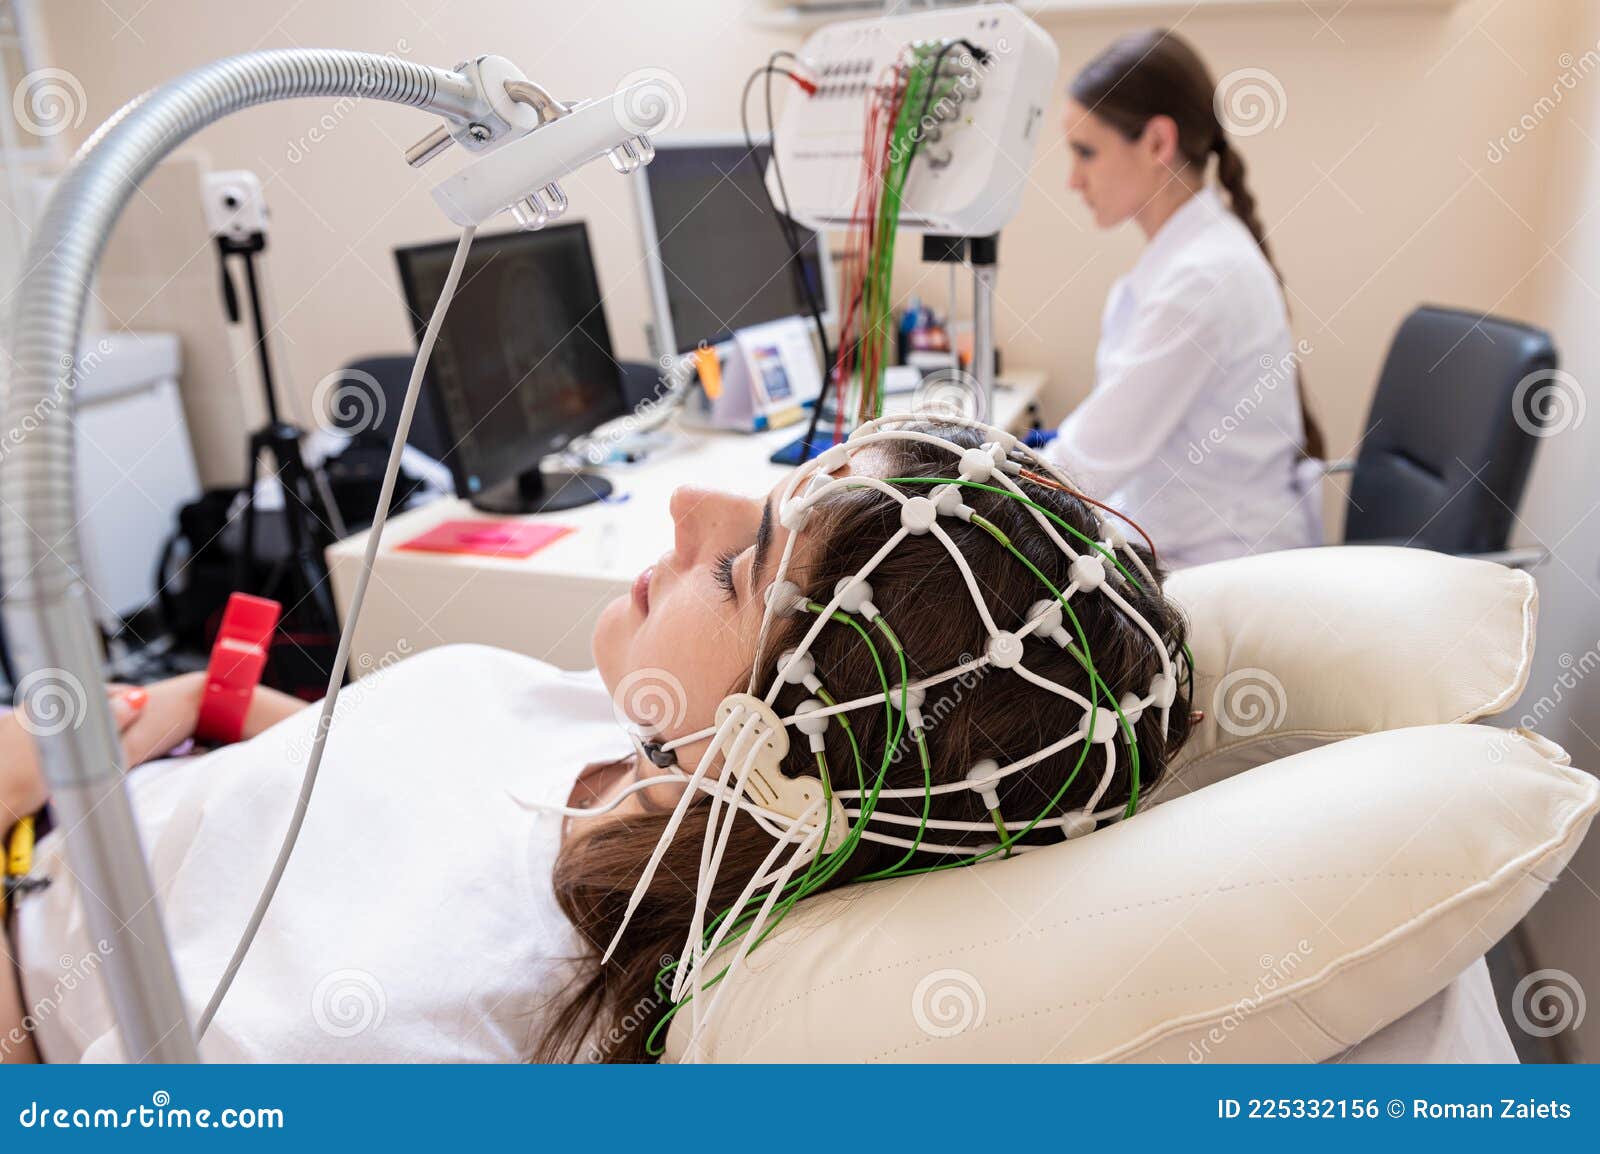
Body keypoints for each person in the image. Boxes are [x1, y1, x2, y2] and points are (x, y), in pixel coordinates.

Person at [0, 422, 1194, 1062]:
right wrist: (175, 714)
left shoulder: (387, 1016)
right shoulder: (638, 746)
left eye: (739, 567)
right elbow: (356, 785)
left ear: (771, 754)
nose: (691, 509)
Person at [1045, 28, 1325, 566]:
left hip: (1222, 569)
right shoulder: (1196, 256)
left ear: (1157, 143)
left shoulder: (1201, 280)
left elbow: (1083, 468)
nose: (1073, 181)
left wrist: (952, 478)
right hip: (1190, 544)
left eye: (1085, 152)